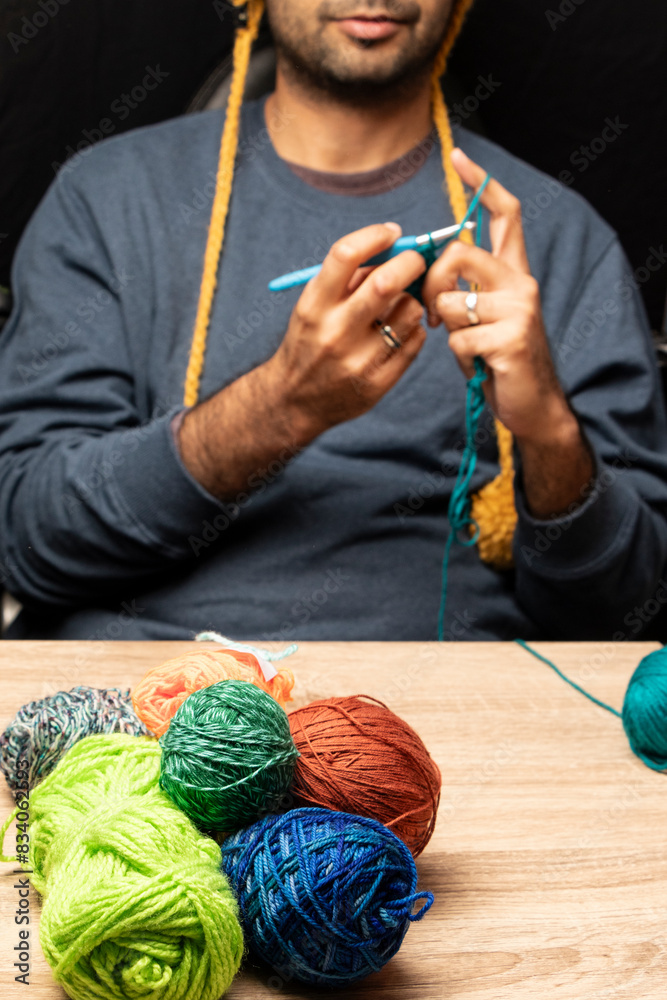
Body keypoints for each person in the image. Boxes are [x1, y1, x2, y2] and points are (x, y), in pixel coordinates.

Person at [1, 0, 666, 643]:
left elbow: (617, 617)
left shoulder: (557, 236)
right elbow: (28, 544)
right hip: (140, 708)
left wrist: (547, 430)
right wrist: (281, 406)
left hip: (445, 718)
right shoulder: (106, 197)